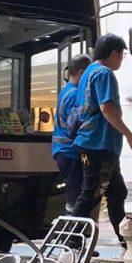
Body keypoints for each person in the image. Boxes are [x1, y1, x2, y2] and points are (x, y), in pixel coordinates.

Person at [70, 34, 132, 248]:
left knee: (117, 192)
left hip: (94, 145)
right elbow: (106, 108)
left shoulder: (89, 72)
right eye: (122, 55)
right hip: (98, 145)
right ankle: (71, 240)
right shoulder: (104, 73)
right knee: (92, 193)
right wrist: (129, 134)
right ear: (114, 53)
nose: (121, 60)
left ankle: (124, 240)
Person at [53, 54, 92, 213]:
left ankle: (73, 231)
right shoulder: (75, 95)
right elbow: (76, 125)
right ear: (82, 73)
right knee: (77, 195)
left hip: (64, 152)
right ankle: (73, 232)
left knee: (75, 194)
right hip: (71, 153)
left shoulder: (66, 91)